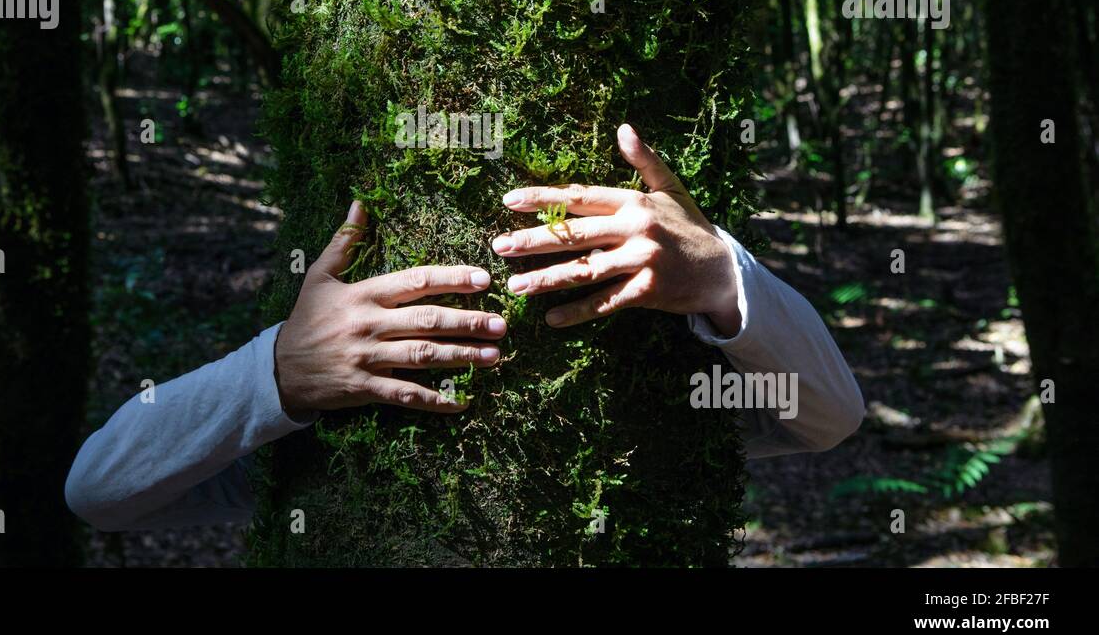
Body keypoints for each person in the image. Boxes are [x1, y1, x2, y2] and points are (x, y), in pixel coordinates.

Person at [65, 124, 865, 531]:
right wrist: (279, 370)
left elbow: (829, 416)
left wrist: (724, 274)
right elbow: (99, 489)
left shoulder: (655, 389)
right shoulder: (330, 421)